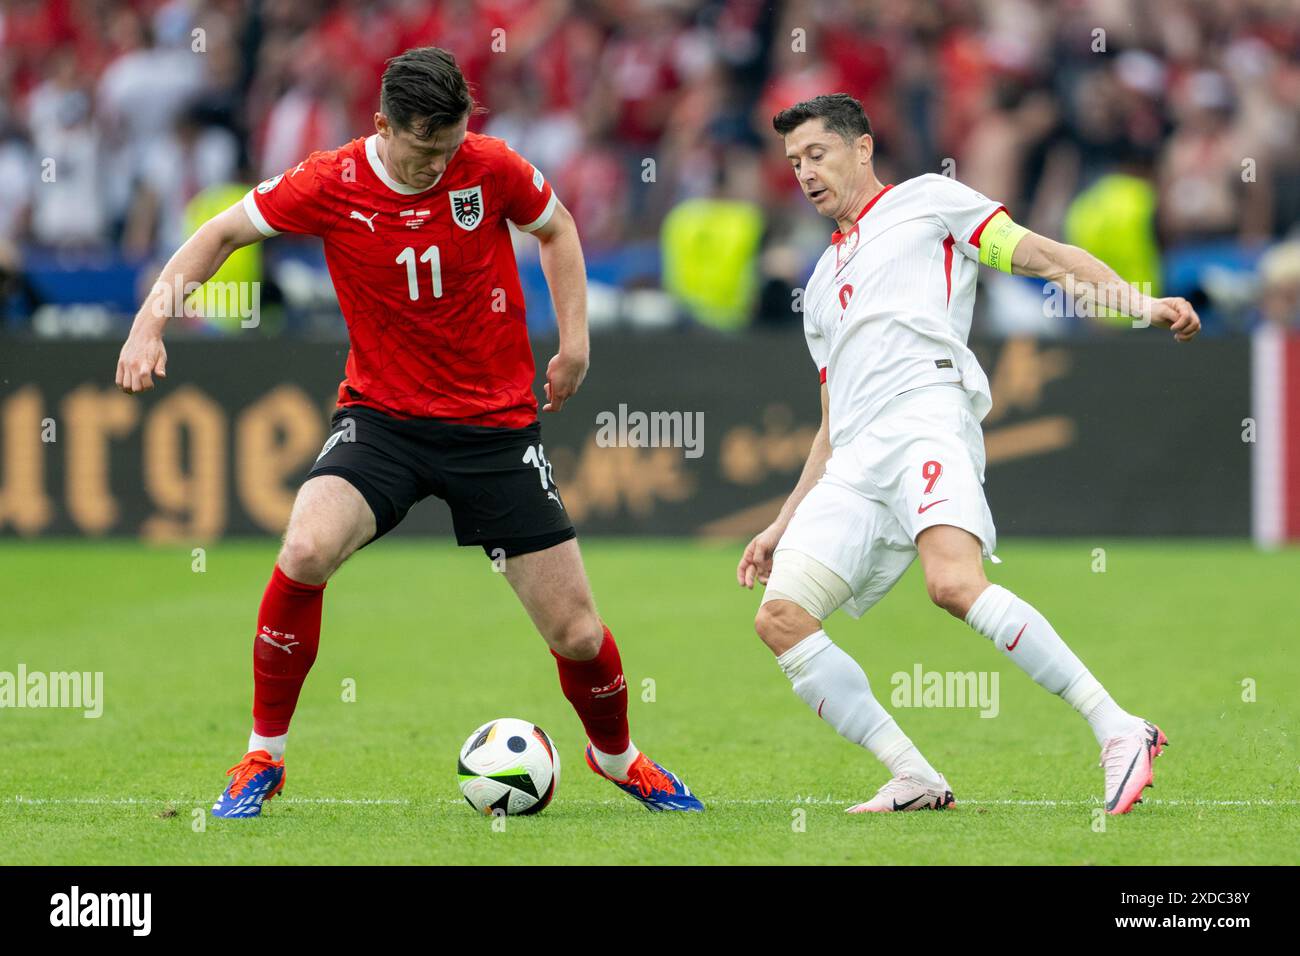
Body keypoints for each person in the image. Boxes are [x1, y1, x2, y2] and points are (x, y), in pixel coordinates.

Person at [115, 47, 702, 817]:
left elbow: (556, 231)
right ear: (383, 124)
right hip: (383, 423)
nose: (438, 165)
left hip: (494, 430)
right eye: (424, 151)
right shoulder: (328, 181)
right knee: (304, 549)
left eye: (450, 148)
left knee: (579, 633)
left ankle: (618, 758)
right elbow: (220, 235)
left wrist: (575, 342)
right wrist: (149, 323)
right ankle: (263, 757)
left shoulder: (490, 166)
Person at [738, 93, 1199, 815]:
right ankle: (913, 774)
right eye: (794, 161)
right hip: (855, 460)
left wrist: (1141, 305)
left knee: (952, 584)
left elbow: (1044, 256)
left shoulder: (930, 203)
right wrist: (781, 521)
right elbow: (831, 421)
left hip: (927, 416)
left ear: (862, 148)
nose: (805, 172)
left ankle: (1119, 728)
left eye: (818, 154)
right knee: (781, 617)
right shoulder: (820, 284)